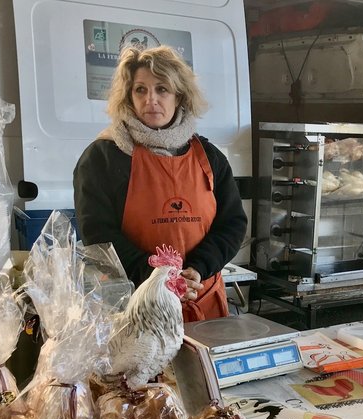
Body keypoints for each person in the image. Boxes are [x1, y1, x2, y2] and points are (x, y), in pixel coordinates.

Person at [73, 45, 247, 322]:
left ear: (179, 96)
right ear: (128, 96)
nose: (150, 99)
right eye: (140, 89)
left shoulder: (209, 156)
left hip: (201, 302)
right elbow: (98, 234)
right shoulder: (103, 157)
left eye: (162, 89)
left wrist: (197, 269)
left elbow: (232, 223)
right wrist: (156, 277)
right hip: (135, 305)